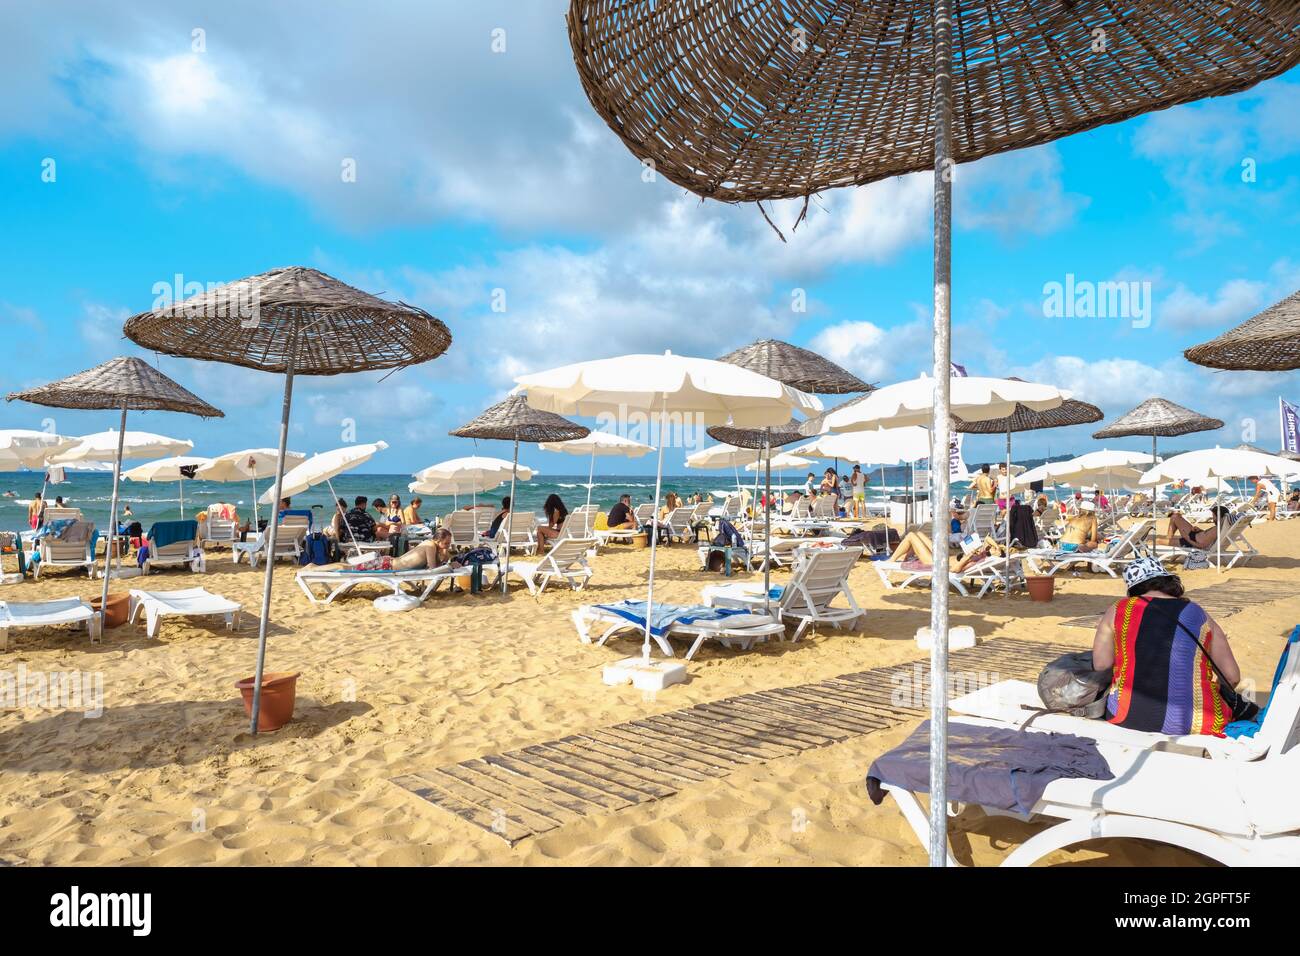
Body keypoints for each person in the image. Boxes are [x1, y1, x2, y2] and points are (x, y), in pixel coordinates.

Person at [1092, 557, 1243, 734]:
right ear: (1167, 581)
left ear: (1133, 588)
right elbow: (1232, 676)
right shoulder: (1196, 612)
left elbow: (1101, 664)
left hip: (1126, 716)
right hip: (1197, 723)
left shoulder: (1119, 609)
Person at [1158, 505, 1230, 551]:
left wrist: (1187, 538)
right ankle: (1168, 539)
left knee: (1158, 541)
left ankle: (1167, 540)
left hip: (1191, 541)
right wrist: (1200, 530)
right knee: (1175, 516)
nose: (1212, 517)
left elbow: (1201, 546)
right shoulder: (1221, 527)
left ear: (1218, 516)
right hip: (1194, 535)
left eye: (1213, 516)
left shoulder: (1217, 529)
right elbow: (1208, 536)